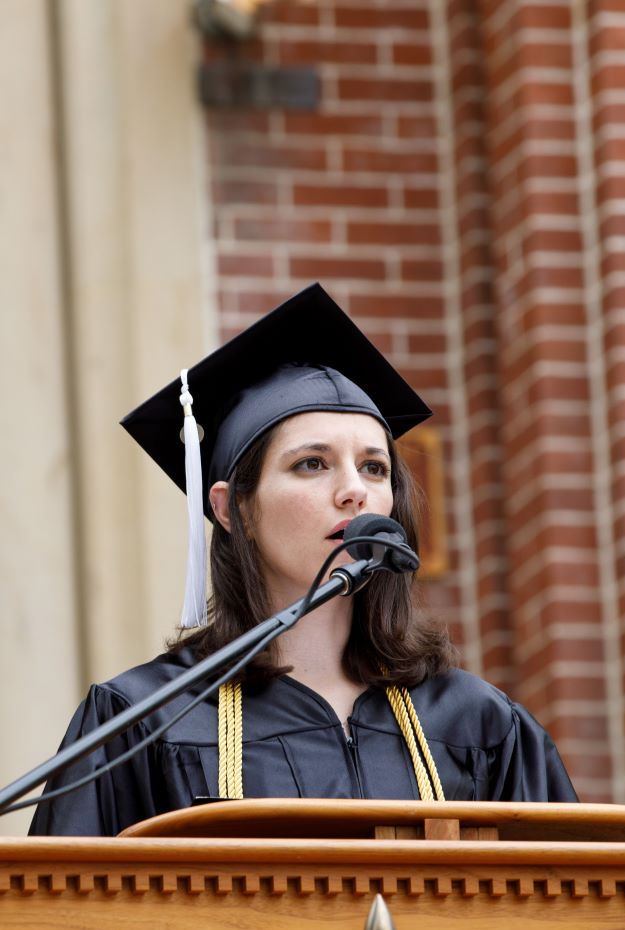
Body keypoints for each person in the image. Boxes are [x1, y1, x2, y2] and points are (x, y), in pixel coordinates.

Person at [29, 284, 576, 837]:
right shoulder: (144, 722)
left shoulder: (479, 723)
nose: (353, 491)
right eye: (312, 464)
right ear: (231, 508)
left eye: (374, 468)